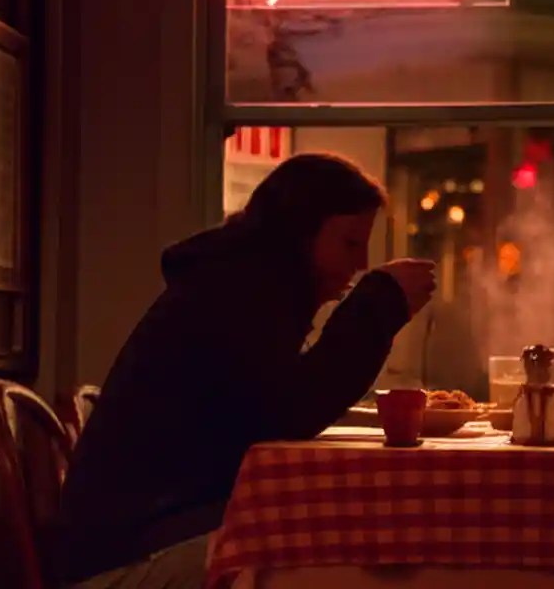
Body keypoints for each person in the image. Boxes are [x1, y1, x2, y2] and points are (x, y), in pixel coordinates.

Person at [57, 153, 436, 588]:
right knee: (318, 552)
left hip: (151, 532)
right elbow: (291, 409)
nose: (362, 262)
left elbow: (279, 407)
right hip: (118, 562)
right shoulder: (235, 291)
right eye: (350, 243)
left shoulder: (241, 282)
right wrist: (379, 303)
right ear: (300, 232)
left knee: (321, 539)